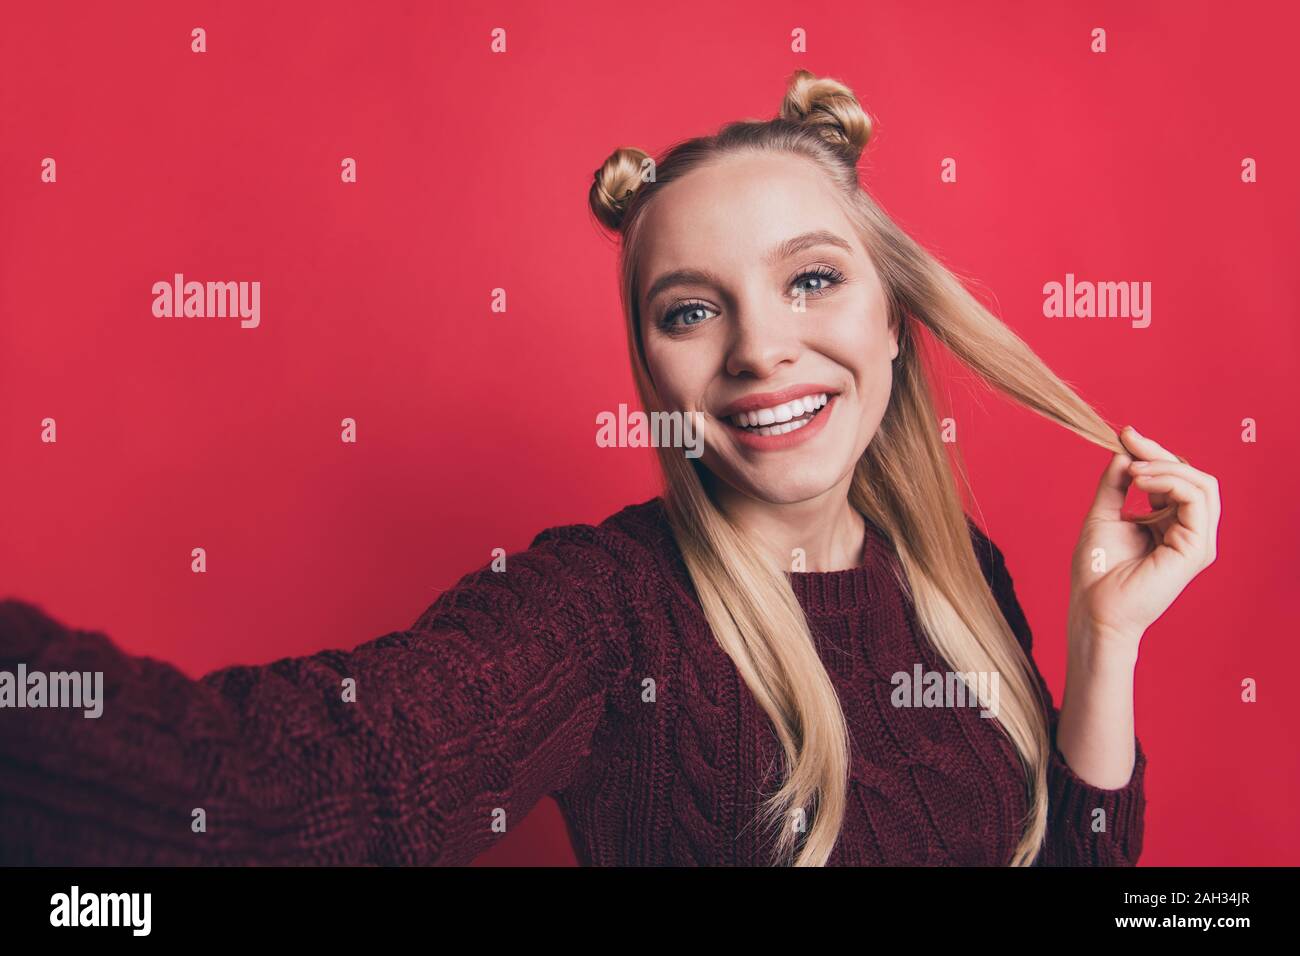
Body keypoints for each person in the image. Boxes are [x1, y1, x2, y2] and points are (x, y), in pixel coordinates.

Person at [0, 70, 1220, 867]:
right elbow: (295, 794)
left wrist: (1102, 638)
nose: (758, 348)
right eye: (690, 312)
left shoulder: (958, 577)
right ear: (653, 369)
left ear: (892, 317)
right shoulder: (606, 612)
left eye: (810, 279)